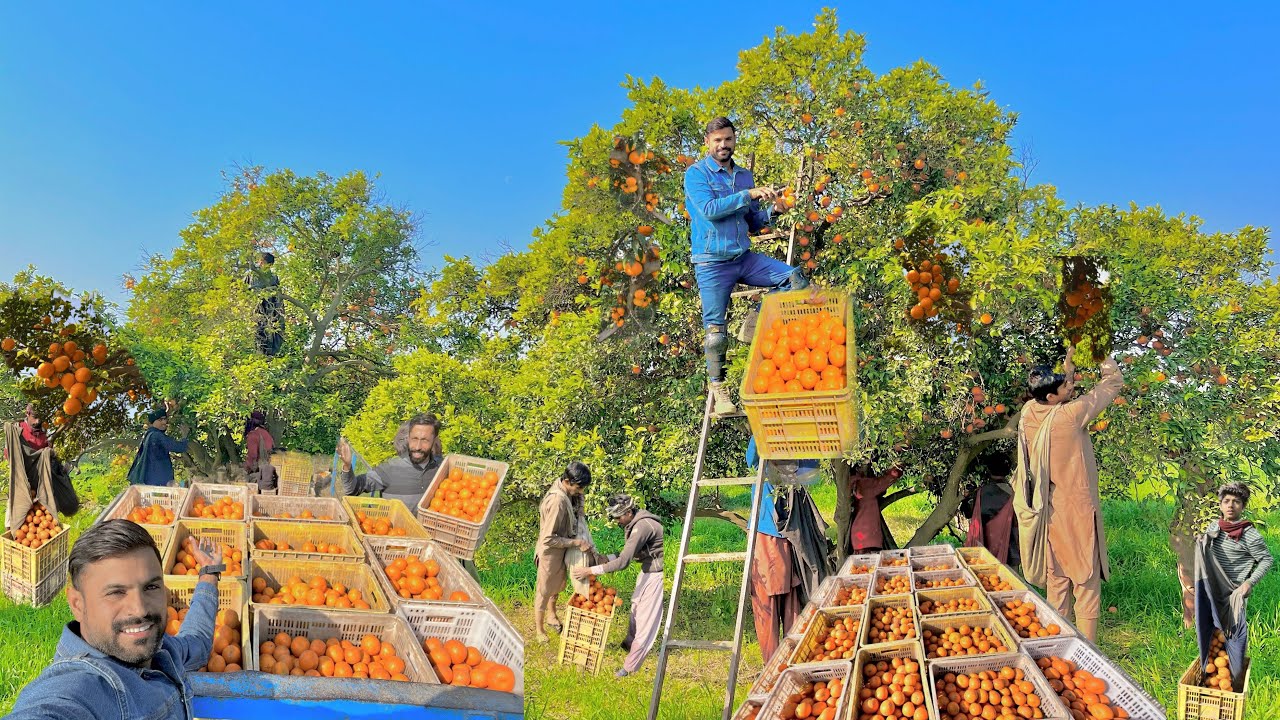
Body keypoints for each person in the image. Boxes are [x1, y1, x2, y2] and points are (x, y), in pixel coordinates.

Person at [7, 520, 222, 720]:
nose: (140, 609)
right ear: (77, 605)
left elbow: (198, 642)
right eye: (116, 592)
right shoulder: (77, 688)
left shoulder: (162, 648)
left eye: (151, 587)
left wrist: (209, 574)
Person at [685, 116, 808, 417]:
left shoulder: (744, 176)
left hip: (743, 257)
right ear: (708, 143)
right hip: (712, 262)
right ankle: (719, 390)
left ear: (734, 139)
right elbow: (710, 211)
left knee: (794, 280)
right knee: (715, 333)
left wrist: (773, 211)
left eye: (728, 139)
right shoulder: (696, 174)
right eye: (717, 140)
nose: (723, 145)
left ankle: (755, 319)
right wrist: (747, 195)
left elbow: (752, 222)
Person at [1013, 346, 1123, 642]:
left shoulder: (1029, 413)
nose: (1071, 386)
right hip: (1076, 513)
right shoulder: (1071, 416)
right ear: (1052, 397)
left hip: (1048, 513)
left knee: (1057, 581)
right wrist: (1100, 354)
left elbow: (1059, 390)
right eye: (1066, 385)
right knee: (1086, 583)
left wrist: (1069, 365)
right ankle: (1088, 653)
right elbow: (1113, 383)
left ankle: (1055, 645)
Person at [745, 439, 821, 663]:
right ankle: (777, 663)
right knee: (773, 600)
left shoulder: (792, 468)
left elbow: (811, 467)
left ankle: (789, 659)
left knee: (784, 600)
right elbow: (753, 455)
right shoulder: (765, 468)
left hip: (784, 537)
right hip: (773, 537)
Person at [572, 494, 664, 678]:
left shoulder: (642, 526)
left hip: (655, 576)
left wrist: (591, 570)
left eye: (619, 517)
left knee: (646, 623)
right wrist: (607, 559)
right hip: (646, 572)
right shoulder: (635, 523)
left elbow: (623, 562)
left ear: (629, 512)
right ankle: (628, 645)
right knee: (636, 611)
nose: (618, 521)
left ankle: (629, 668)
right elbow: (627, 553)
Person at [1193, 482, 1274, 691]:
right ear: (1220, 504)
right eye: (1227, 501)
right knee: (1210, 633)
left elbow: (1266, 560)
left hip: (1234, 594)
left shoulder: (1249, 534)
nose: (1231, 506)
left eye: (1236, 502)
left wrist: (1249, 582)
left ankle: (1234, 684)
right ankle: (1209, 680)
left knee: (1234, 636)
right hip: (1213, 591)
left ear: (1243, 506)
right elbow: (1207, 551)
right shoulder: (1214, 527)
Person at [533, 462, 593, 643]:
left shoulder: (566, 490)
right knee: (544, 590)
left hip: (561, 547)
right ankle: (539, 631)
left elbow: (576, 508)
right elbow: (548, 539)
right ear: (567, 481)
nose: (580, 491)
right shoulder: (557, 501)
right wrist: (576, 542)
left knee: (557, 585)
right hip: (550, 552)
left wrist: (580, 501)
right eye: (579, 487)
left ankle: (552, 616)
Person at [336, 413, 443, 510]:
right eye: (414, 439)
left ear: (434, 440)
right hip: (396, 530)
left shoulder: (441, 467)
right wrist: (347, 466)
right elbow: (352, 489)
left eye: (425, 440)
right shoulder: (390, 469)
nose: (418, 447)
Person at [4, 404, 80, 522]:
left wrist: (49, 452)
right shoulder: (18, 431)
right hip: (23, 480)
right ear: (27, 414)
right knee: (14, 516)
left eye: (40, 417)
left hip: (41, 483)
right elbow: (11, 457)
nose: (37, 421)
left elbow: (45, 455)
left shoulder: (42, 431)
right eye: (34, 417)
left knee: (43, 518)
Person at [127, 407, 189, 487]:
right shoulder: (156, 436)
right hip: (157, 481)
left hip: (151, 481)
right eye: (160, 420)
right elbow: (178, 447)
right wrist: (185, 436)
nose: (164, 422)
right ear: (153, 422)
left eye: (164, 419)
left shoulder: (149, 435)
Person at [848, 464, 902, 554]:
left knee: (862, 563)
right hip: (868, 534)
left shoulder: (853, 484)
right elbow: (881, 483)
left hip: (859, 535)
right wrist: (893, 474)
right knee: (870, 563)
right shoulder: (863, 485)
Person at [247, 251, 284, 356]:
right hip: (255, 309)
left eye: (263, 262)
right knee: (257, 334)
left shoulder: (273, 277)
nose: (260, 264)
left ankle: (268, 355)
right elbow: (244, 291)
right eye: (260, 261)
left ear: (270, 264)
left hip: (269, 311)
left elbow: (278, 298)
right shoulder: (252, 274)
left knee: (269, 335)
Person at [242, 410, 277, 491]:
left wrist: (244, 469)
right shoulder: (266, 433)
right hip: (271, 473)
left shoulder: (253, 435)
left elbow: (253, 455)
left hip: (263, 475)